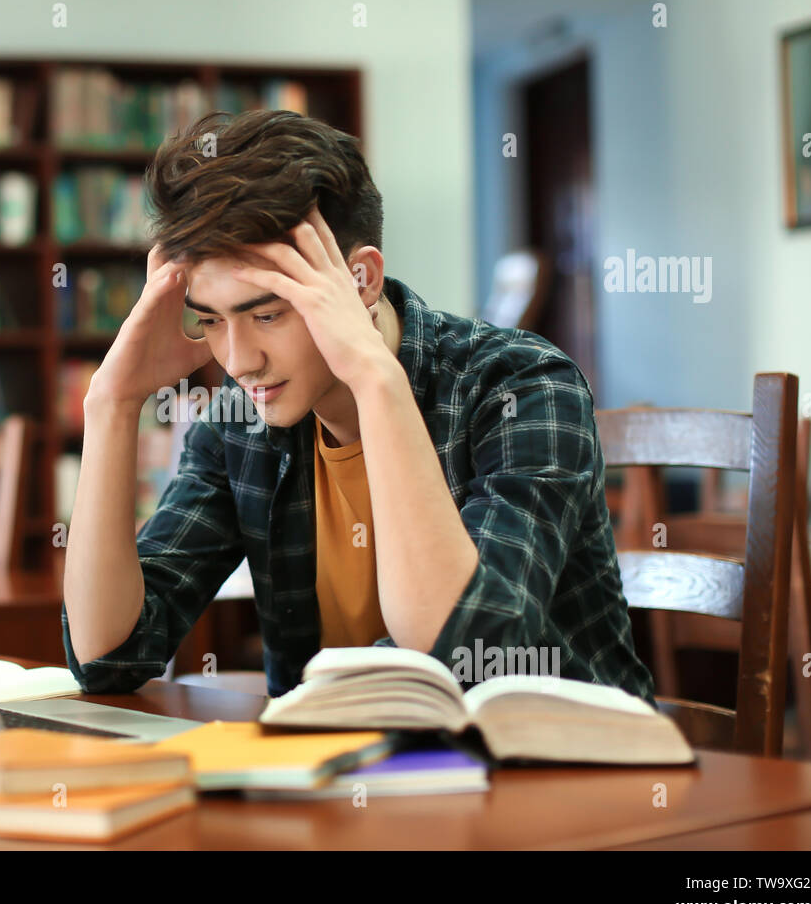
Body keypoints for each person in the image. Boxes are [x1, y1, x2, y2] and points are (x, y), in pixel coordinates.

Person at [61, 108, 654, 703]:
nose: (239, 362)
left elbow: (466, 656)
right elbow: (110, 657)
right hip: (347, 777)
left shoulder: (522, 388)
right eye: (211, 320)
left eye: (267, 314)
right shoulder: (241, 425)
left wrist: (375, 378)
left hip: (558, 776)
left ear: (363, 279)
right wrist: (112, 404)